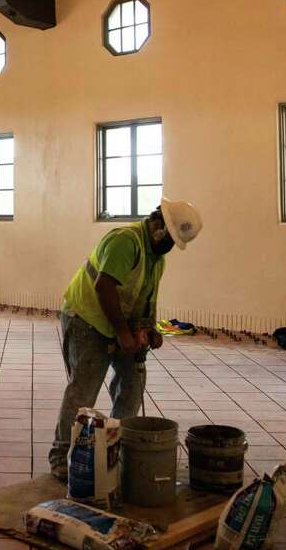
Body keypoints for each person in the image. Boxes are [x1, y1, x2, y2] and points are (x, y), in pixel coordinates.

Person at [48, 198, 203, 480]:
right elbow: (104, 286)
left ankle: (115, 448)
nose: (170, 246)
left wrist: (149, 328)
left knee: (132, 383)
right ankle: (61, 456)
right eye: (169, 239)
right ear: (158, 226)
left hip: (116, 321)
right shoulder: (126, 241)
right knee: (84, 390)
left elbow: (145, 295)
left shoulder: (156, 257)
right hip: (87, 318)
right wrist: (122, 333)